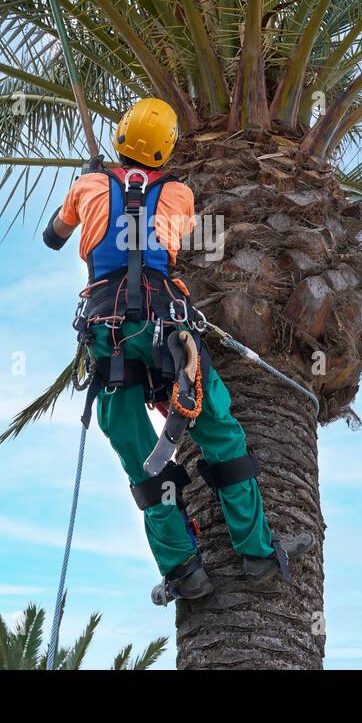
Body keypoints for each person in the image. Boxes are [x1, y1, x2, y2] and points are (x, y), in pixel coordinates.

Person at [42, 97, 312, 605]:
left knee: (141, 457)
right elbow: (157, 242)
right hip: (169, 331)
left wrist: (85, 182)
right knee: (219, 432)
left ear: (120, 138)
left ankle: (185, 572)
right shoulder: (180, 194)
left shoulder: (88, 186)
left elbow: (53, 238)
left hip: (109, 337)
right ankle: (256, 552)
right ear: (166, 153)